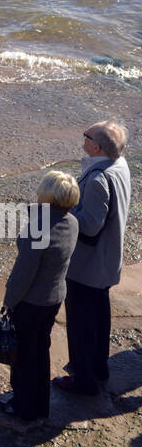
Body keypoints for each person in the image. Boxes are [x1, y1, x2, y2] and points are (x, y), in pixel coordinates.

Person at [54, 120, 131, 397]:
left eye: (86, 136)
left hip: (88, 266)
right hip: (108, 260)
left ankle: (83, 380)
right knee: (99, 316)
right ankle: (99, 368)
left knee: (80, 323)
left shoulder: (99, 179)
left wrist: (62, 210)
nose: (82, 139)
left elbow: (90, 225)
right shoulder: (120, 165)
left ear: (96, 146)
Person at [1, 171, 79, 421]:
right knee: (40, 351)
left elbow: (24, 273)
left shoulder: (39, 228)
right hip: (54, 297)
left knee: (24, 357)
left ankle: (24, 408)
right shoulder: (72, 222)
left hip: (31, 302)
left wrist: (8, 302)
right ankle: (40, 405)